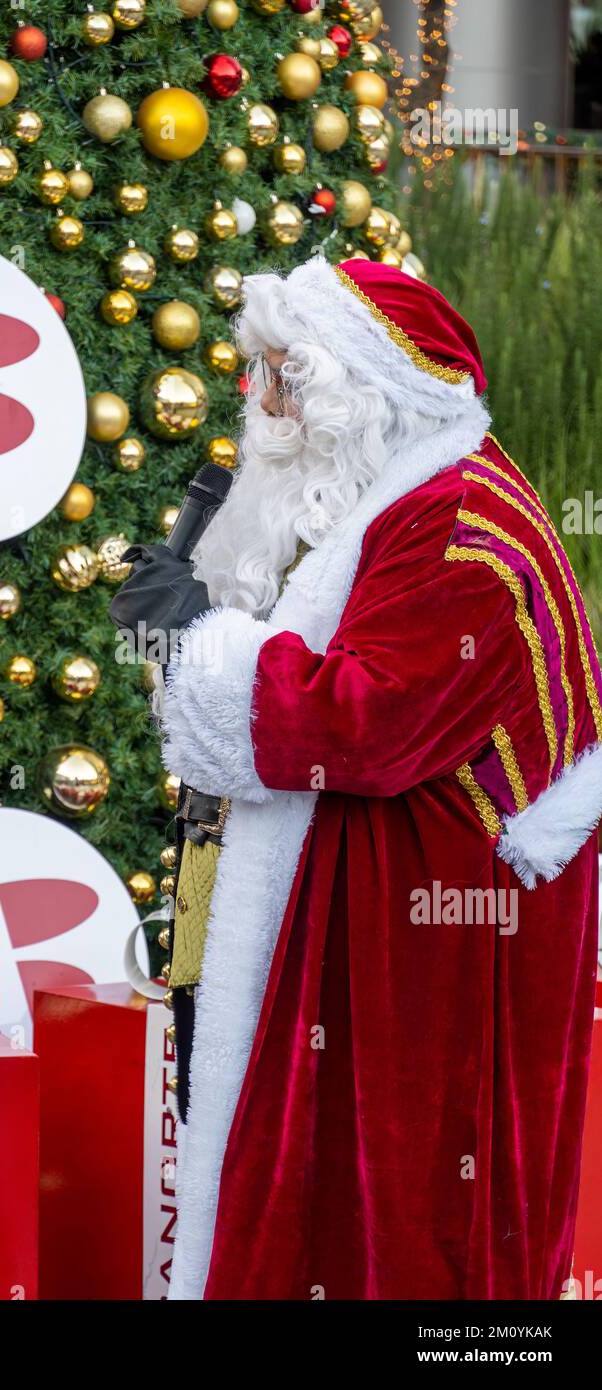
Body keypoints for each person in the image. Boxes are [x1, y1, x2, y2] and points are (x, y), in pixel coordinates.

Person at [114, 254, 602, 1301]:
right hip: (412, 922)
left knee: (398, 1225)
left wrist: (194, 639)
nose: (265, 403)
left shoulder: (461, 532)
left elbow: (363, 722)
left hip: (428, 950)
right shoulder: (413, 497)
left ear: (360, 393)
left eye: (285, 376)